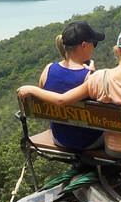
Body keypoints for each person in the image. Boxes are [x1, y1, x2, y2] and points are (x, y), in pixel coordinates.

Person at [18, 27, 121, 162]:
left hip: (109, 147)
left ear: (116, 51)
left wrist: (32, 89)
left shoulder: (98, 77)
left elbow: (62, 99)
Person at [39, 21, 105, 150]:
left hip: (59, 138)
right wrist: (93, 73)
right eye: (94, 44)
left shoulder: (48, 69)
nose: (94, 47)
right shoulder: (90, 78)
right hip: (89, 142)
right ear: (84, 45)